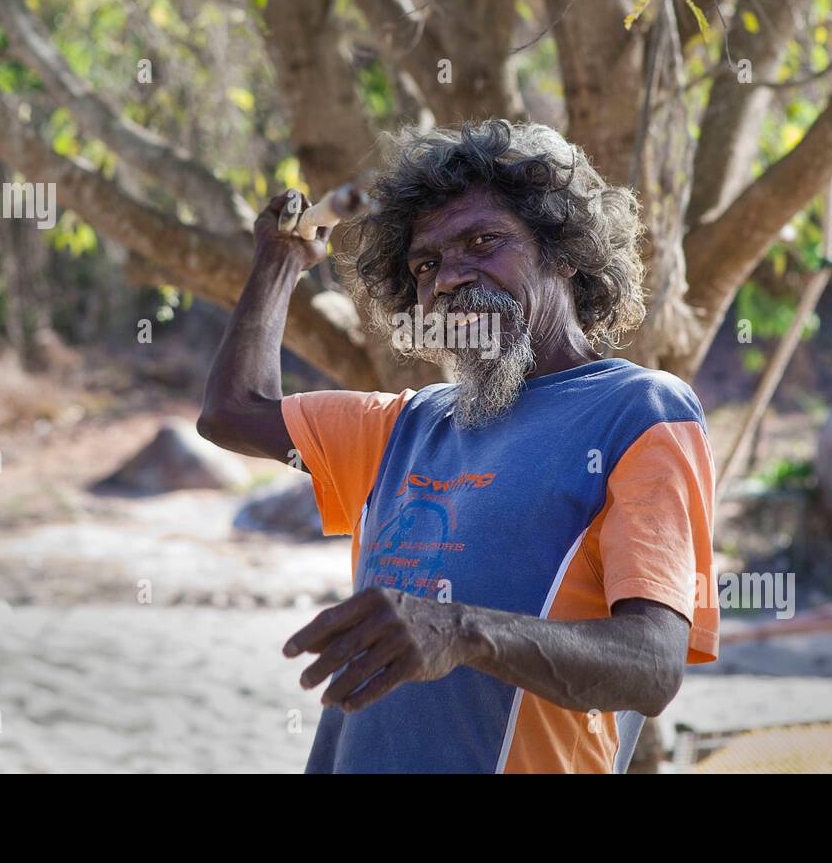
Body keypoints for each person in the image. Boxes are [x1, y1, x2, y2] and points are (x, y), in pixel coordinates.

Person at [198, 119, 718, 773]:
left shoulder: (638, 410)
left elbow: (652, 666)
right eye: (426, 263)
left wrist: (462, 631)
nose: (448, 278)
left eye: (483, 241)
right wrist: (279, 265)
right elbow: (232, 412)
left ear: (563, 250)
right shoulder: (404, 427)